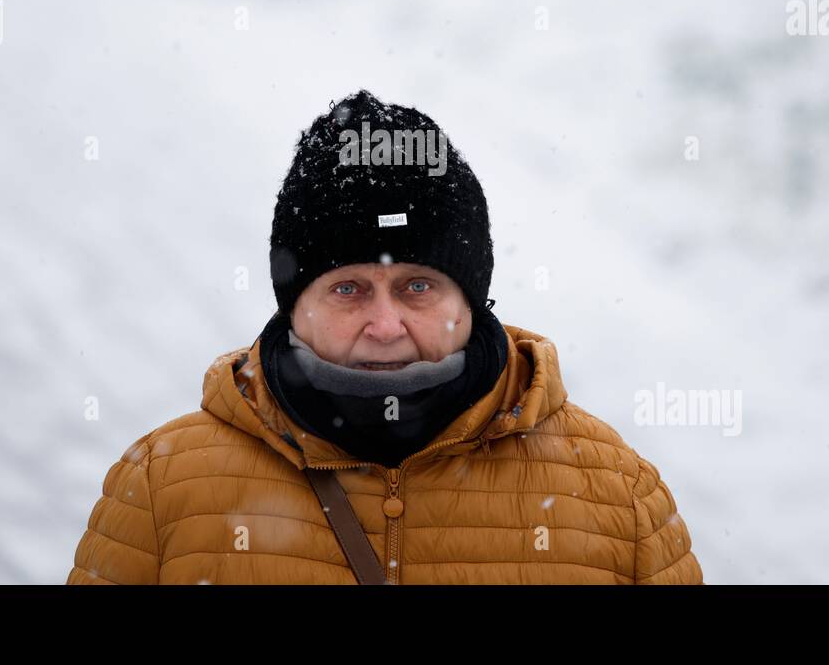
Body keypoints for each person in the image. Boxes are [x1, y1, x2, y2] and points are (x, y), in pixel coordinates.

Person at [66, 89, 703, 584]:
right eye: (348, 289)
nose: (385, 325)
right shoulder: (159, 489)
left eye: (418, 286)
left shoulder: (616, 492)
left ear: (471, 299)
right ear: (294, 304)